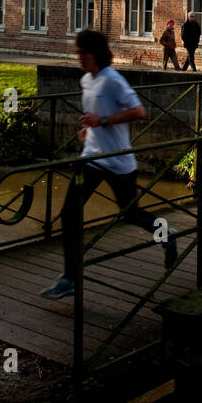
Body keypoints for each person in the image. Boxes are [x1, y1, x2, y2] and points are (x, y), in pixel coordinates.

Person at [42, 29, 178, 299]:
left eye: (84, 53)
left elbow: (139, 111)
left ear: (96, 53)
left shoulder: (112, 80)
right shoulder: (86, 80)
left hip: (118, 161)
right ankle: (70, 277)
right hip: (92, 158)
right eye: (78, 53)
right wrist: (87, 130)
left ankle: (166, 235)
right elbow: (93, 114)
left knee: (131, 214)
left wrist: (103, 121)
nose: (79, 57)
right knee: (69, 215)